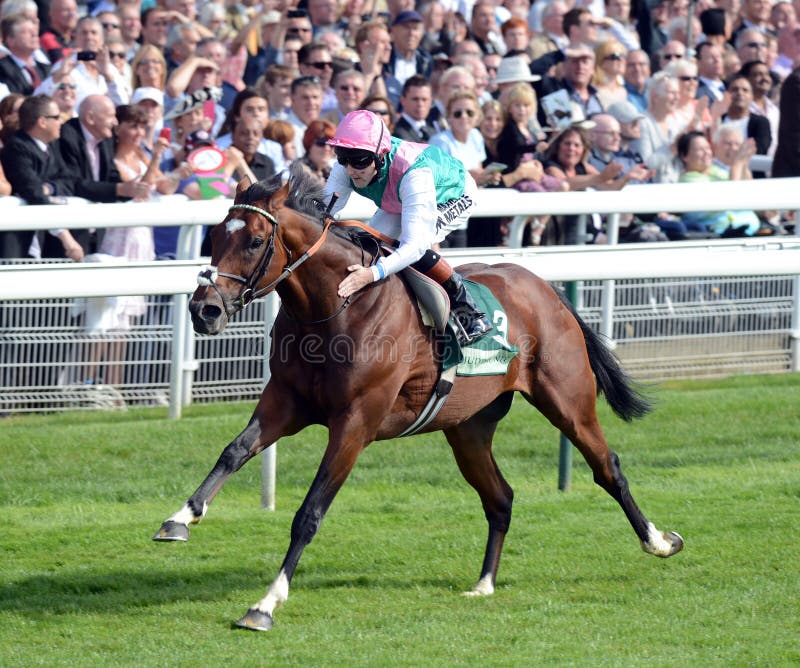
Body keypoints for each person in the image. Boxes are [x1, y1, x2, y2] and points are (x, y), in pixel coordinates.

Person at [323, 109, 492, 343]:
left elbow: (415, 246)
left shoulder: (414, 174)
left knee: (411, 247)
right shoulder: (348, 164)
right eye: (342, 157)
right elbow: (324, 212)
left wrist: (372, 274)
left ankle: (468, 311)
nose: (350, 169)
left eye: (360, 160)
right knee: (367, 242)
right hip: (400, 196)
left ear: (379, 155)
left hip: (452, 193)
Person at [0, 94, 71, 258]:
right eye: (56, 117)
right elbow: (33, 191)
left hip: (38, 236)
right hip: (14, 238)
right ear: (42, 121)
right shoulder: (17, 148)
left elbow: (69, 180)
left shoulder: (50, 146)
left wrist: (49, 187)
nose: (61, 122)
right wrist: (65, 236)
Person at [676, 130, 761, 236]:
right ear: (685, 156)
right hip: (721, 234)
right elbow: (731, 197)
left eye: (708, 148)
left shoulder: (717, 170)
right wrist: (737, 164)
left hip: (752, 229)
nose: (707, 152)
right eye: (700, 150)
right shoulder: (687, 181)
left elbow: (748, 191)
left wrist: (744, 163)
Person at [393, 74, 436, 142]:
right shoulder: (395, 133)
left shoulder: (434, 132)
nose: (420, 104)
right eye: (415, 99)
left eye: (424, 99)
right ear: (403, 100)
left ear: (431, 101)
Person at [296, 118, 336, 187]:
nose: (327, 148)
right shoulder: (298, 170)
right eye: (321, 142)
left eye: (331, 144)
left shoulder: (330, 171)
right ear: (309, 143)